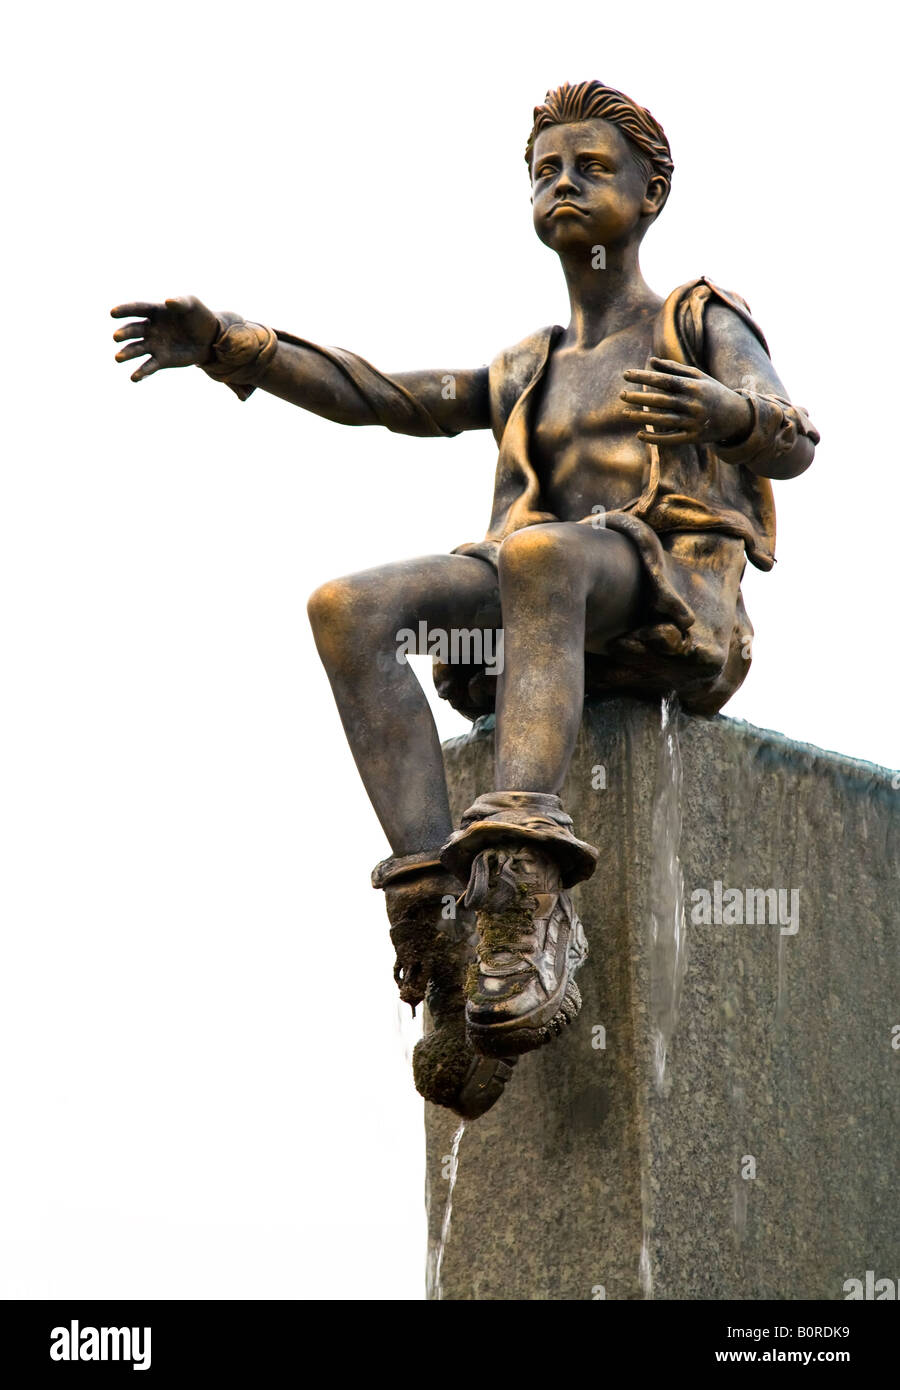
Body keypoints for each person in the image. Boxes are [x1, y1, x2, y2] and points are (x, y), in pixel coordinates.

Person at [112, 79, 819, 1119]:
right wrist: (234, 344)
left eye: (589, 166)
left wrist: (724, 409)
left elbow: (794, 436)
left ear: (652, 190)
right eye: (544, 171)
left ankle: (525, 886)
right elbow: (384, 398)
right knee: (346, 606)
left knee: (541, 556)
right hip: (542, 597)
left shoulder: (695, 320)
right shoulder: (528, 367)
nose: (562, 184)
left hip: (669, 602)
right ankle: (437, 915)